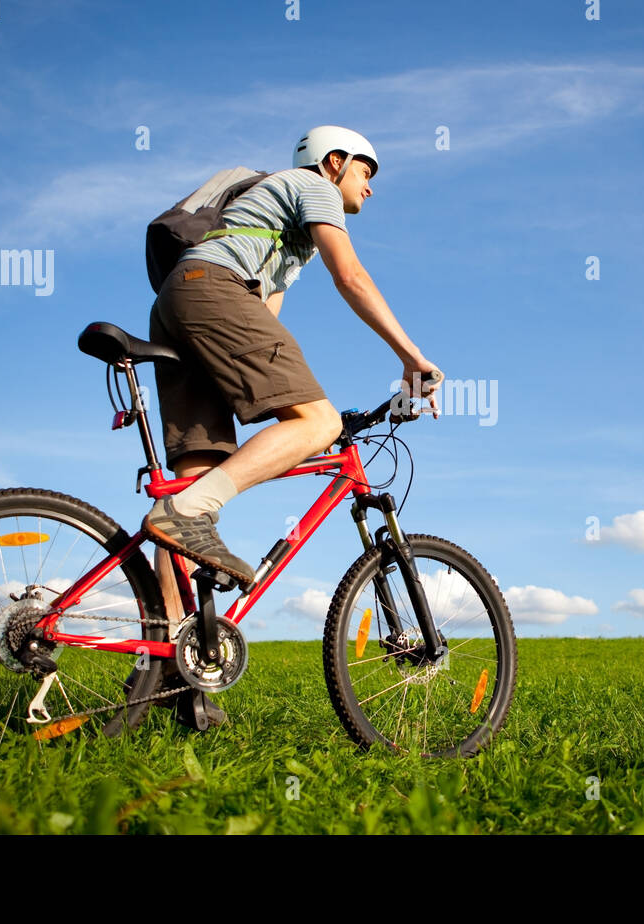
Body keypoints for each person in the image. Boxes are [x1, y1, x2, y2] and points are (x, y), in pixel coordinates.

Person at [141, 127, 441, 720]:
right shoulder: (312, 186)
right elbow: (351, 276)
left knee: (194, 476)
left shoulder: (277, 243)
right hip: (210, 292)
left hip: (178, 301)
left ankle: (170, 663)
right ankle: (190, 514)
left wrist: (308, 419)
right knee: (307, 427)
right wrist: (411, 357)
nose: (370, 189)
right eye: (366, 173)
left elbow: (263, 334)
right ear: (336, 163)